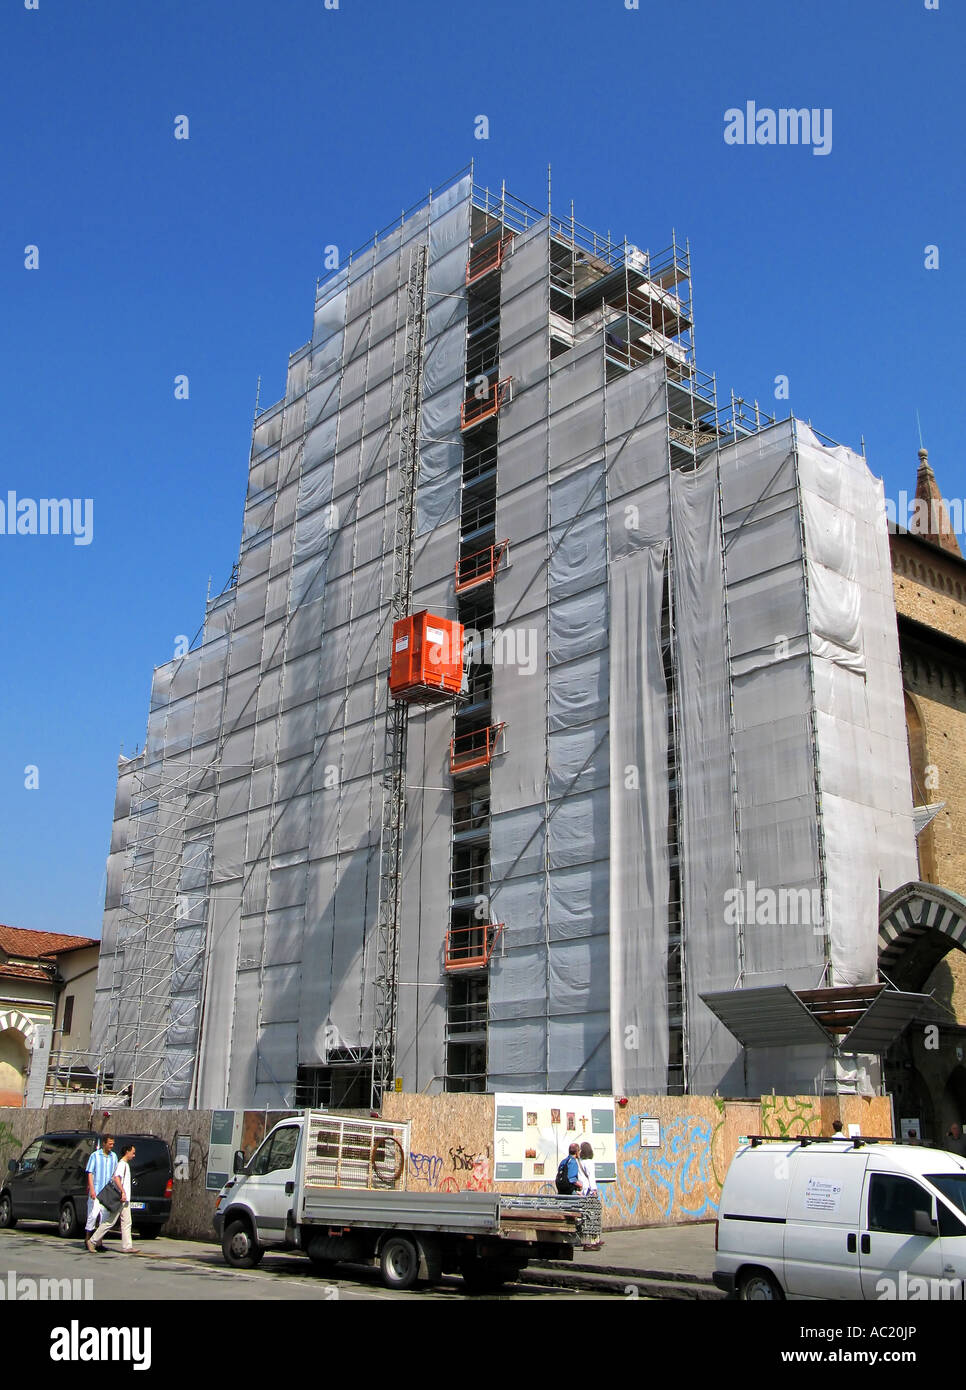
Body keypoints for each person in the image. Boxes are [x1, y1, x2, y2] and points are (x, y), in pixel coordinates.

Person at [89, 1143, 137, 1253]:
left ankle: (127, 1246)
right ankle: (92, 1241)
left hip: (125, 1200)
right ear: (127, 1152)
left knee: (127, 1222)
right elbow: (116, 1178)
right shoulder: (122, 1164)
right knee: (110, 1222)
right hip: (121, 1198)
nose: (134, 1155)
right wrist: (123, 1192)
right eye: (133, 1153)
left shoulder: (126, 1165)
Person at [84, 1134, 117, 1252]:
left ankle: (99, 1241)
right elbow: (90, 1173)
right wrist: (92, 1189)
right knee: (93, 1215)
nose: (111, 1146)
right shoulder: (95, 1156)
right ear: (104, 1143)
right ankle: (88, 1239)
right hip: (97, 1190)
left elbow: (115, 1174)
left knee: (104, 1217)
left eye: (113, 1144)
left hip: (107, 1192)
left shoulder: (113, 1157)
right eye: (110, 1144)